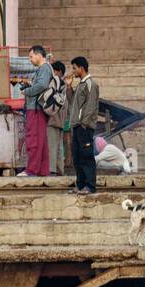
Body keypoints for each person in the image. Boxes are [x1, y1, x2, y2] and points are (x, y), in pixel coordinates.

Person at [68, 56, 99, 195]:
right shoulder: (80, 85)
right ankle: (80, 185)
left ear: (81, 68)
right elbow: (72, 102)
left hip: (84, 127)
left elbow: (91, 107)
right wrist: (68, 86)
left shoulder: (90, 84)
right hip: (76, 126)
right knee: (77, 157)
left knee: (86, 156)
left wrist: (84, 124)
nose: (73, 71)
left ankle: (90, 186)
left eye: (74, 68)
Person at [21, 44, 52, 177]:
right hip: (39, 109)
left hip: (35, 109)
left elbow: (42, 85)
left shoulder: (44, 68)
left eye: (31, 56)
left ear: (39, 55)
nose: (30, 60)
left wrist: (26, 91)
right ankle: (43, 170)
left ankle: (32, 170)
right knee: (41, 141)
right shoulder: (46, 68)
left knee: (33, 139)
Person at [45, 60, 68, 176]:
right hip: (60, 120)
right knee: (59, 147)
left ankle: (52, 170)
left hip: (53, 120)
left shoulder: (57, 84)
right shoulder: (64, 85)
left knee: (52, 146)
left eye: (53, 71)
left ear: (58, 71)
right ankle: (60, 170)